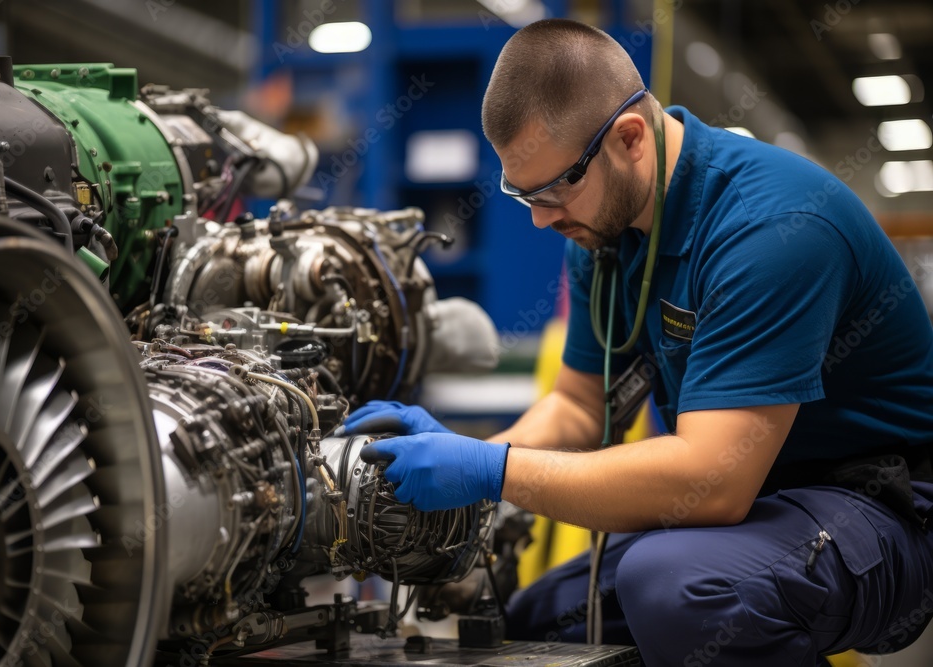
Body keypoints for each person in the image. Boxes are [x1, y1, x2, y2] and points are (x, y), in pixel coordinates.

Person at [341, 18, 933, 666]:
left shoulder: (773, 229)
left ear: (629, 138)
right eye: (521, 194)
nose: (541, 219)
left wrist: (492, 472)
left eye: (554, 188)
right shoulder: (602, 233)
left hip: (878, 507)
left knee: (676, 586)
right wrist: (466, 455)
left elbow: (714, 483)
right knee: (540, 619)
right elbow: (576, 406)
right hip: (762, 509)